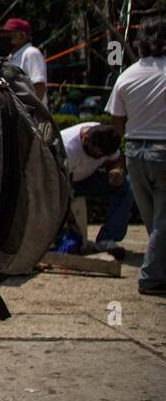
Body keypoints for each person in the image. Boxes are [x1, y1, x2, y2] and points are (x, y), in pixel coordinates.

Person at [107, 16, 166, 296]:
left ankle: (158, 271)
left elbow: (117, 120)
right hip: (163, 149)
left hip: (134, 152)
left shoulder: (127, 75)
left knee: (153, 219)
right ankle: (150, 277)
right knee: (162, 221)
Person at [60, 121, 132, 257]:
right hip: (64, 182)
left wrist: (117, 170)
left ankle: (107, 238)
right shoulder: (69, 148)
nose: (98, 158)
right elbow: (60, 187)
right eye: (96, 154)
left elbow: (117, 159)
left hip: (87, 179)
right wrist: (71, 223)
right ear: (86, 139)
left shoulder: (107, 138)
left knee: (126, 186)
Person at [0, 18, 47, 106]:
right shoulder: (10, 58)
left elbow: (39, 86)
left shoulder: (31, 53)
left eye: (9, 34)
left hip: (31, 117)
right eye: (3, 34)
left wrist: (31, 112)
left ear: (22, 36)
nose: (4, 37)